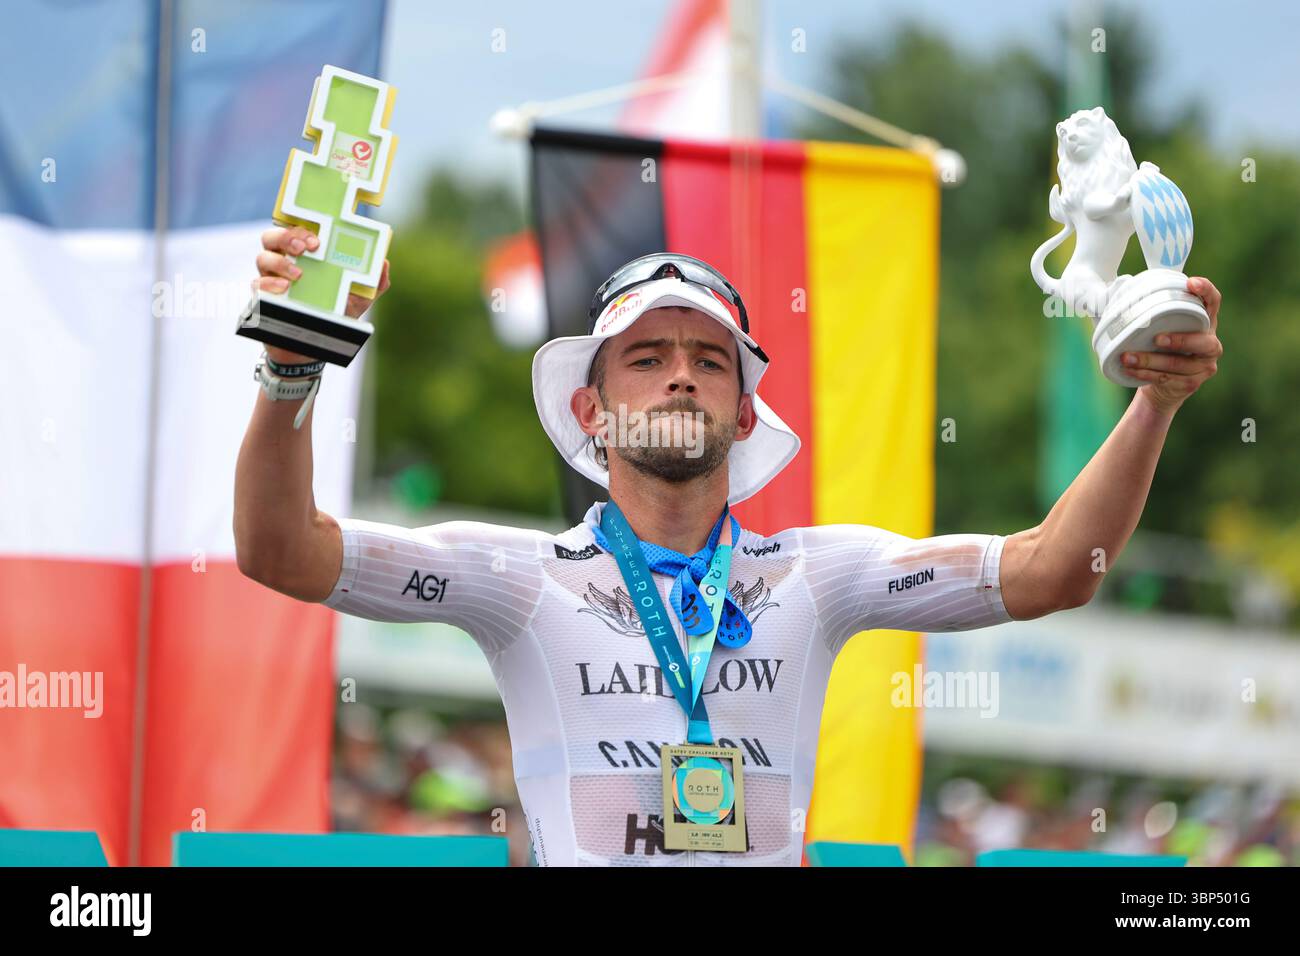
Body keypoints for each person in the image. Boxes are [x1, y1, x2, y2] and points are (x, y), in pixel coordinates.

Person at [235, 227, 1224, 866]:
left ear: (744, 413)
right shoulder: (521, 579)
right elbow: (282, 550)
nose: (680, 376)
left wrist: (1155, 401)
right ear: (592, 407)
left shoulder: (817, 574)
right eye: (646, 356)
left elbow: (1055, 567)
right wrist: (292, 369)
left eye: (708, 360)